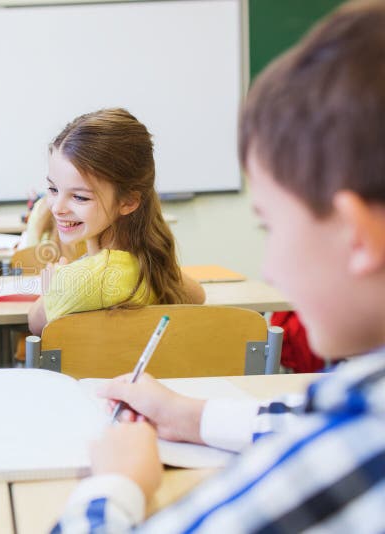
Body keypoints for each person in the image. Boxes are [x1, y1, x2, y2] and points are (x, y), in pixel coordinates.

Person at [53, 1, 385, 531]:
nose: (270, 270)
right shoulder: (361, 399)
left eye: (269, 226)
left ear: (356, 236)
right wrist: (191, 415)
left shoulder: (357, 451)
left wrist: (113, 485)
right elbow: (309, 415)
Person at [27, 108, 204, 335]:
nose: (57, 207)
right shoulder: (151, 266)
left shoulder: (76, 281)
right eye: (53, 189)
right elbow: (198, 295)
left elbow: (35, 324)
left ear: (128, 201)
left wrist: (53, 287)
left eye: (79, 197)